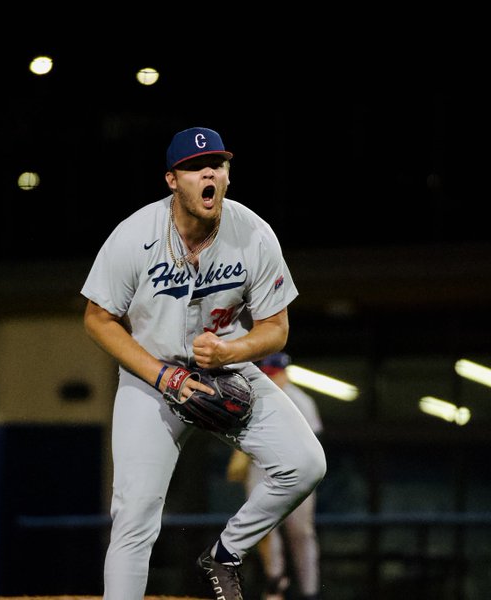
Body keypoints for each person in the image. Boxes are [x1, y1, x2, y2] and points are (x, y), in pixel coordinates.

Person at [81, 126, 326, 600]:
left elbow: (276, 328)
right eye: (194, 168)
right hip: (152, 378)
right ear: (172, 180)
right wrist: (162, 375)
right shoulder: (135, 235)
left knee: (305, 463)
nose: (208, 173)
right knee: (134, 515)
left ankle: (225, 553)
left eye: (217, 164)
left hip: (226, 370)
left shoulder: (254, 234)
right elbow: (97, 319)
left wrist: (233, 352)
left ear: (228, 175)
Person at [226, 351, 322, 600]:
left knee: (301, 533)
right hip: (262, 469)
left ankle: (309, 592)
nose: (271, 377)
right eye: (267, 372)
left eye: (274, 372)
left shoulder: (301, 400)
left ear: (284, 373)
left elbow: (310, 443)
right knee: (264, 529)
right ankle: (275, 583)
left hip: (297, 471)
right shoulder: (253, 395)